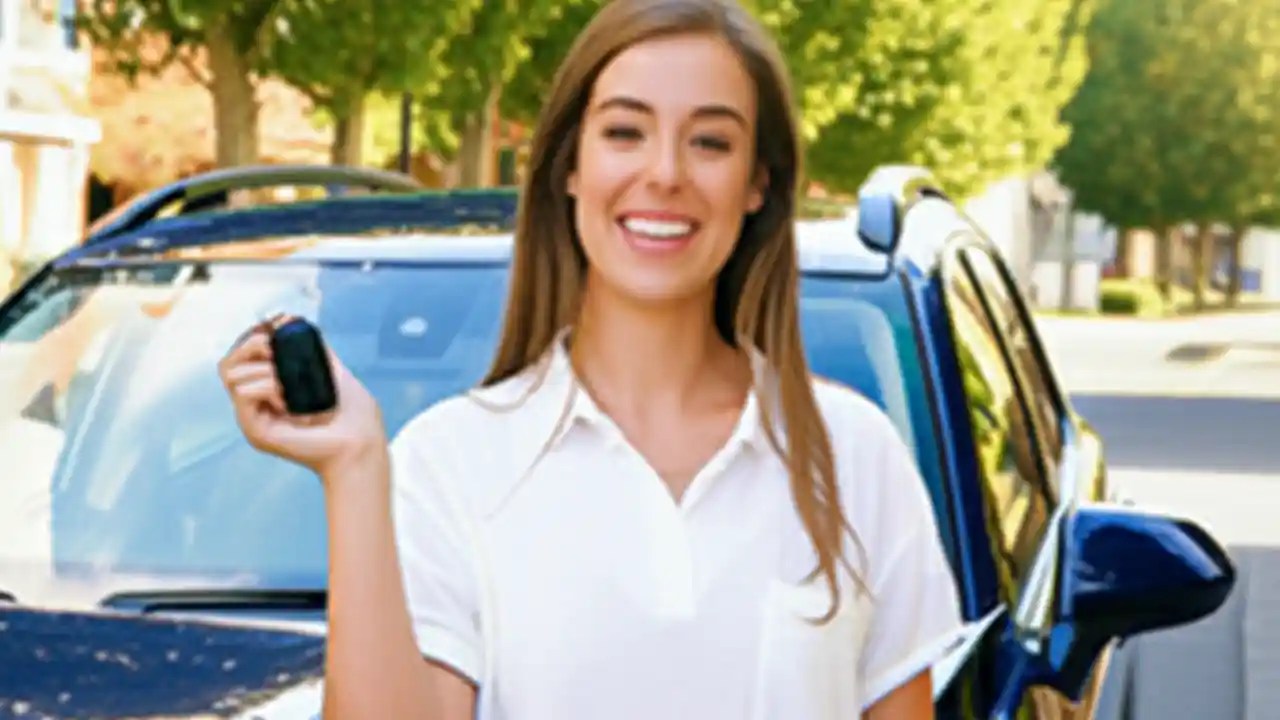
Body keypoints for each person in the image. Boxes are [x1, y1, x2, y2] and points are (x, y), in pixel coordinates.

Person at [218, 0, 963, 717]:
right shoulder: (449, 465)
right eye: (625, 132)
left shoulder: (852, 455)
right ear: (570, 165)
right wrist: (352, 471)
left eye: (710, 141)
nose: (665, 173)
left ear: (757, 184)